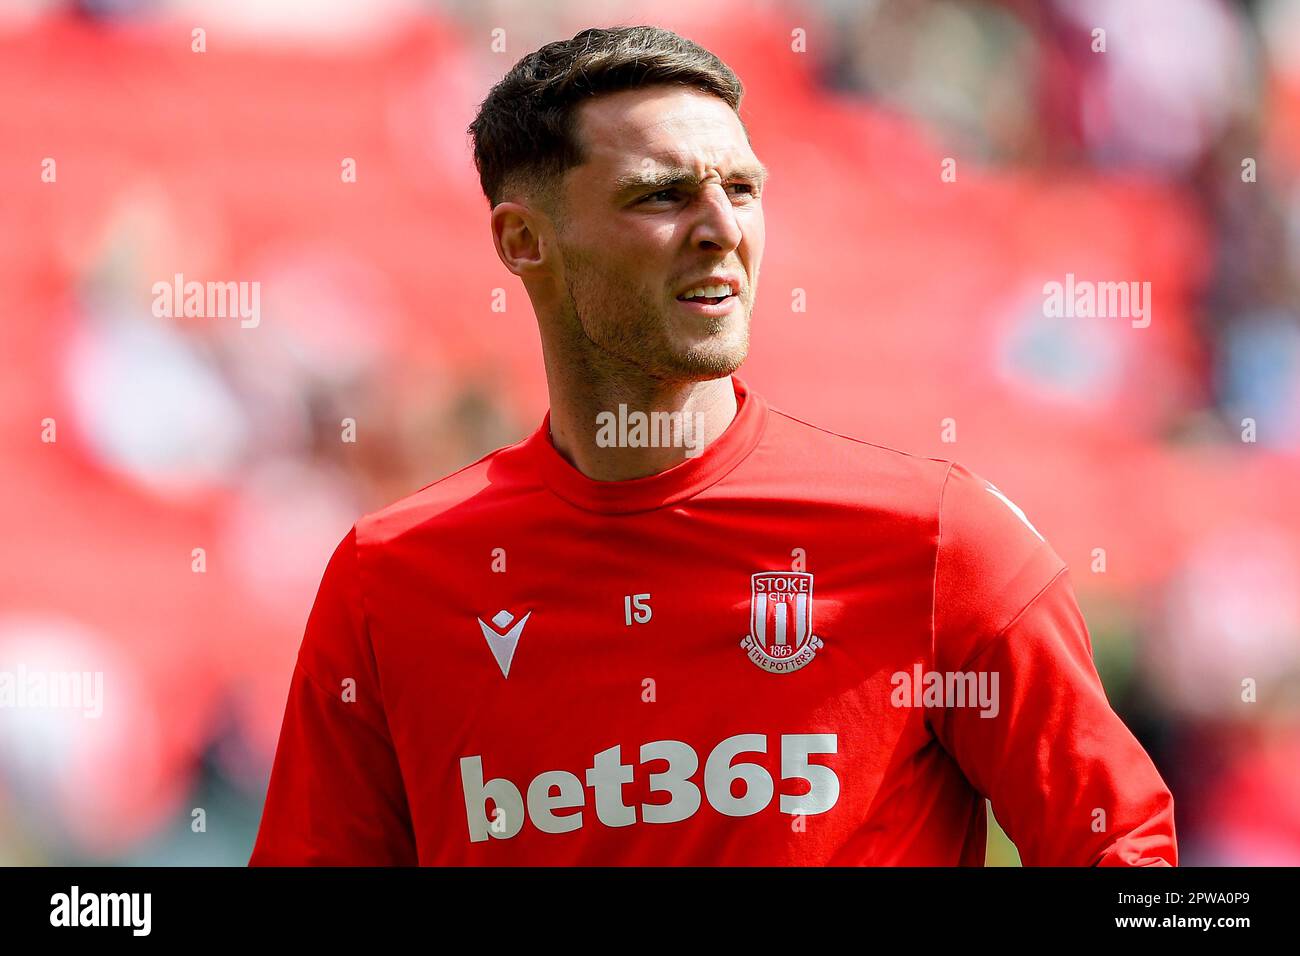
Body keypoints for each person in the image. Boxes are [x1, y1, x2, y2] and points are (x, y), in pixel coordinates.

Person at [249, 25, 1176, 865]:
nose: (724, 230)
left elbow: (1129, 855)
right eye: (663, 194)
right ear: (525, 241)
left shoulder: (938, 543)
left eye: (741, 189)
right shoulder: (391, 584)